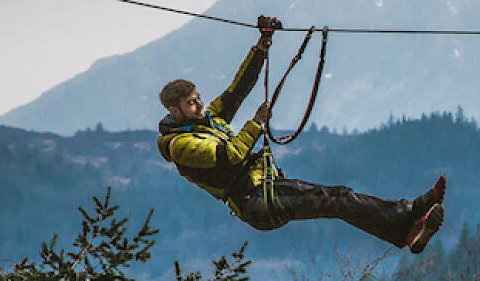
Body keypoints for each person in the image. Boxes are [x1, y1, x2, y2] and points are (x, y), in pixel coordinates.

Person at [157, 15, 445, 252]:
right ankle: (410, 216)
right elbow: (229, 157)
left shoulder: (208, 120)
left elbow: (238, 88)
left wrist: (262, 44)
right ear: (174, 109)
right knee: (338, 198)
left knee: (339, 199)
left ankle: (409, 225)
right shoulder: (179, 145)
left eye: (197, 98)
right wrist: (256, 123)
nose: (198, 104)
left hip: (266, 189)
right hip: (256, 201)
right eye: (190, 102)